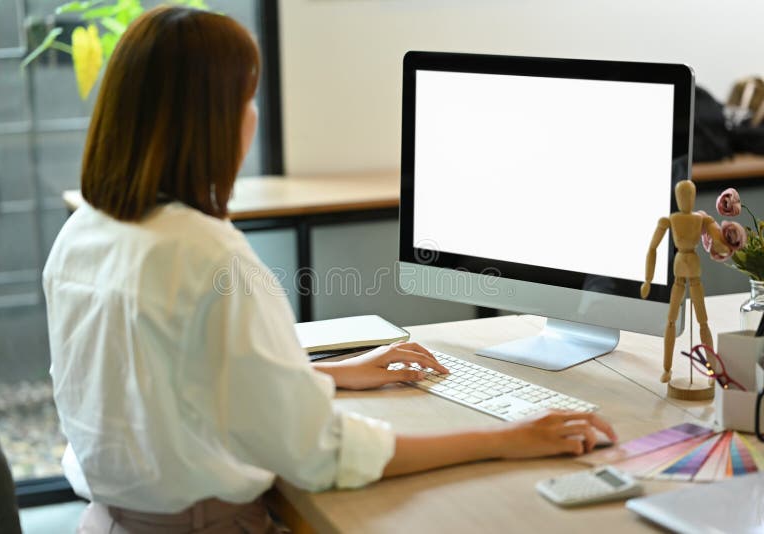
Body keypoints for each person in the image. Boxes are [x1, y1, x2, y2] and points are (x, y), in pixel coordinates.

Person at [43, 6, 616, 533]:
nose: (254, 115)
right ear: (211, 123)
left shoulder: (86, 232)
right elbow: (321, 454)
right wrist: (506, 439)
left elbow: (181, 391)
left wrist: (335, 375)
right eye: (247, 99)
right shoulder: (208, 256)